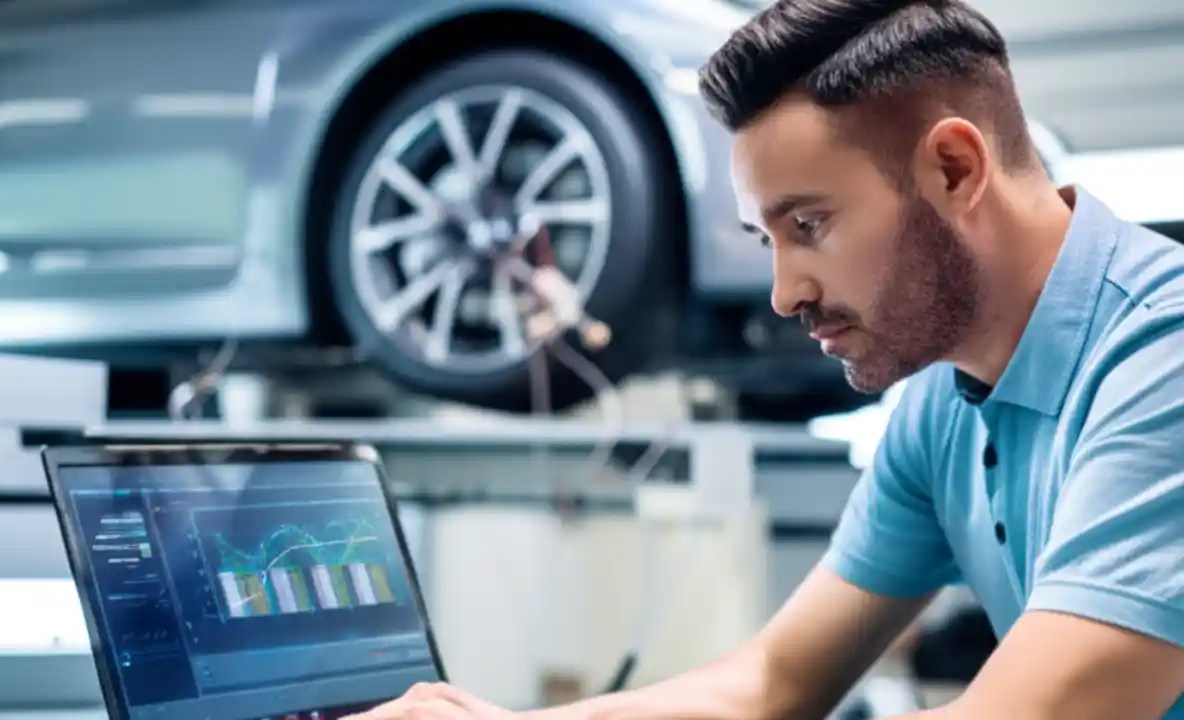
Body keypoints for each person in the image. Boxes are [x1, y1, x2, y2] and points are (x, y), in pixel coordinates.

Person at [349, 0, 1184, 717]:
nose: (784, 293)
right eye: (766, 238)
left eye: (808, 226)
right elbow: (772, 683)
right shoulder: (944, 401)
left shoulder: (1165, 353)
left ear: (954, 169)